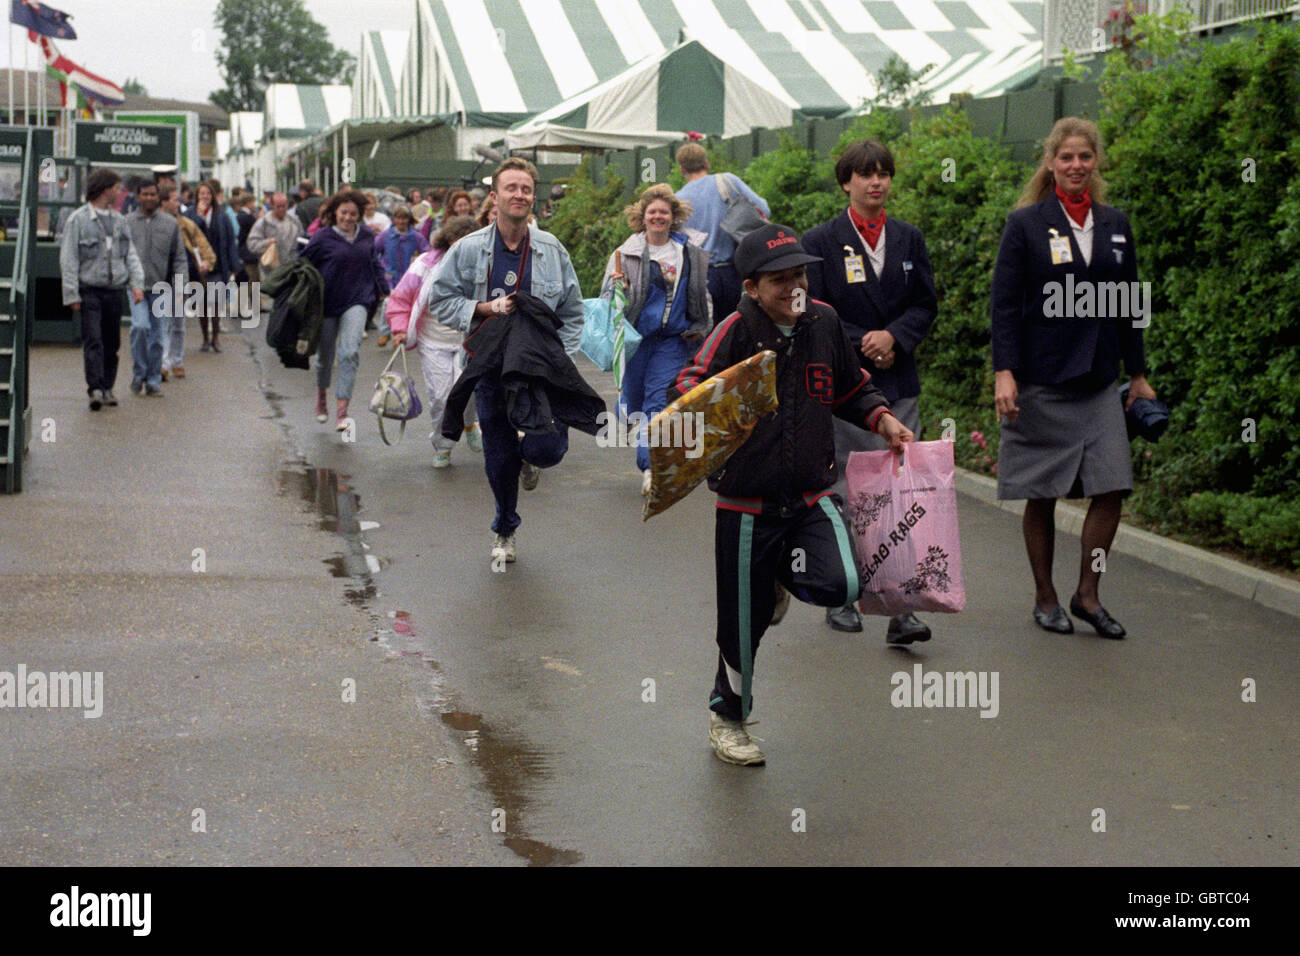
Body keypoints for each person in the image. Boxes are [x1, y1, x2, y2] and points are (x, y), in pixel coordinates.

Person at [672, 223, 912, 766]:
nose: (794, 287)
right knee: (742, 623)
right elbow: (688, 385)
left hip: (809, 493)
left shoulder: (824, 322)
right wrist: (715, 403)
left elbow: (852, 387)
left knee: (844, 581)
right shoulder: (735, 329)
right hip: (745, 504)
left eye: (800, 274)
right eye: (780, 280)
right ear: (753, 287)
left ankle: (784, 573)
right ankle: (728, 718)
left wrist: (883, 419)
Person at [991, 117, 1156, 640]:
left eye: (1085, 157)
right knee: (1042, 492)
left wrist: (1139, 374)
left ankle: (1088, 593)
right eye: (1067, 157)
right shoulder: (1026, 225)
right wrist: (1005, 372)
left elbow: (1130, 303)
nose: (1076, 165)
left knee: (1112, 488)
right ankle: (1045, 596)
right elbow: (1006, 306)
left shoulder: (1116, 224)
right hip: (1041, 378)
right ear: (1051, 163)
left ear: (1095, 162)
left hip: (1099, 381)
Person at [803, 138, 939, 643]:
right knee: (847, 492)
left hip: (899, 381)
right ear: (847, 182)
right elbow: (811, 307)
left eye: (883, 173)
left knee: (901, 492)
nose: (876, 181)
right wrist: (864, 340)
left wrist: (895, 338)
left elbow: (926, 304)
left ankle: (901, 606)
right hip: (843, 387)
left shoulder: (909, 238)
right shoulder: (820, 240)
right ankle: (842, 595)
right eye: (865, 174)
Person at [428, 158, 586, 563]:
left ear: (533, 198)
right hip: (490, 368)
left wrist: (560, 359)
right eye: (511, 188)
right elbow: (440, 299)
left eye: (526, 189)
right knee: (499, 458)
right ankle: (504, 529)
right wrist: (483, 308)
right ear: (495, 197)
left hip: (540, 371)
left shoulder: (551, 250)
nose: (520, 195)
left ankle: (530, 457)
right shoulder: (467, 250)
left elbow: (572, 311)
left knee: (547, 450)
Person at [601, 183, 712, 492]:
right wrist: (616, 286)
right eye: (652, 212)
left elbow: (701, 292)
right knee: (634, 402)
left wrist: (704, 326)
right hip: (637, 338)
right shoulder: (626, 253)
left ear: (673, 216)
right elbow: (607, 297)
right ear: (643, 216)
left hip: (673, 340)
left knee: (657, 404)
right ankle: (624, 406)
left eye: (664, 212)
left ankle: (650, 466)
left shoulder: (688, 250)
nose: (658, 217)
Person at [386, 215, 483, 467]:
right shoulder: (425, 264)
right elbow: (400, 299)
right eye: (458, 242)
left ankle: (469, 423)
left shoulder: (485, 266)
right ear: (448, 241)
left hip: (469, 341)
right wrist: (399, 328)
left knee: (469, 391)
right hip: (433, 342)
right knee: (441, 397)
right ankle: (443, 446)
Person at [300, 188, 386, 430]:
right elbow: (303, 263)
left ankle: (342, 412)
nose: (348, 218)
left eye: (353, 214)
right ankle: (321, 397)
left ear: (359, 216)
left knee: (349, 353)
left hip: (357, 301)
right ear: (335, 212)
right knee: (325, 357)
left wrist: (386, 290)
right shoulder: (322, 238)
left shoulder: (366, 235)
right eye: (344, 213)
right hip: (326, 305)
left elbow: (373, 262)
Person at [59, 168, 145, 410]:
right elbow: (69, 258)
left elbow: (130, 255)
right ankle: (95, 388)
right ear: (105, 189)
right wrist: (72, 293)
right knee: (93, 339)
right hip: (90, 290)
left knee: (112, 341)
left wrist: (137, 284)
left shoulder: (120, 222)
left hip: (114, 290)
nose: (120, 193)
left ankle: (108, 386)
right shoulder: (78, 220)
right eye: (117, 188)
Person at [675, 142, 771, 324]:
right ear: (706, 163)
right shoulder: (727, 181)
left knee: (707, 332)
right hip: (732, 272)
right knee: (733, 329)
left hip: (698, 276)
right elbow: (764, 210)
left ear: (681, 169)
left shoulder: (678, 200)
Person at [125, 182, 187, 396]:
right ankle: (139, 372)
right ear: (138, 196)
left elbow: (179, 257)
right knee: (140, 327)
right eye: (145, 194)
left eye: (153, 194)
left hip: (162, 288)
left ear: (158, 197)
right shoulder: (127, 222)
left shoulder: (170, 224)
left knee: (159, 337)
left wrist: (181, 286)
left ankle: (153, 381)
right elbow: (120, 253)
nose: (149, 198)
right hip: (137, 288)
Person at [160, 185, 213, 380]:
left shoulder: (185, 224)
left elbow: (203, 244)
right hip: (159, 277)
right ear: (163, 202)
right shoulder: (155, 223)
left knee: (178, 322)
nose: (178, 203)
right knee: (164, 321)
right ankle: (164, 363)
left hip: (181, 276)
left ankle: (177, 360)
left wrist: (207, 261)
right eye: (174, 199)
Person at [185, 179, 238, 353]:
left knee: (215, 303)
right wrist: (199, 218)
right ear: (197, 196)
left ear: (212, 196)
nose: (205, 197)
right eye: (201, 194)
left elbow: (230, 241)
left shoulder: (221, 214)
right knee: (201, 303)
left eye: (207, 194)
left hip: (217, 265)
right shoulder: (190, 214)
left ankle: (215, 337)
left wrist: (234, 265)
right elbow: (188, 235)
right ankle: (205, 338)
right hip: (198, 266)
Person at [374, 204, 430, 347]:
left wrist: (419, 262)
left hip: (409, 277)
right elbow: (374, 251)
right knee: (389, 303)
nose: (401, 221)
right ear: (394, 219)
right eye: (398, 218)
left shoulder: (416, 237)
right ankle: (386, 332)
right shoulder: (386, 235)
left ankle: (400, 334)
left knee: (405, 307)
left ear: (409, 219)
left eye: (404, 218)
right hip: (390, 276)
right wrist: (380, 269)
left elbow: (427, 253)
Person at [247, 192, 303, 268]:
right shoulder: (263, 223)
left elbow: (301, 240)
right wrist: (268, 242)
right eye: (278, 206)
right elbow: (252, 244)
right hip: (270, 271)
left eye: (284, 206)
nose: (281, 209)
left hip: (291, 268)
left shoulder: (294, 221)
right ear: (272, 205)